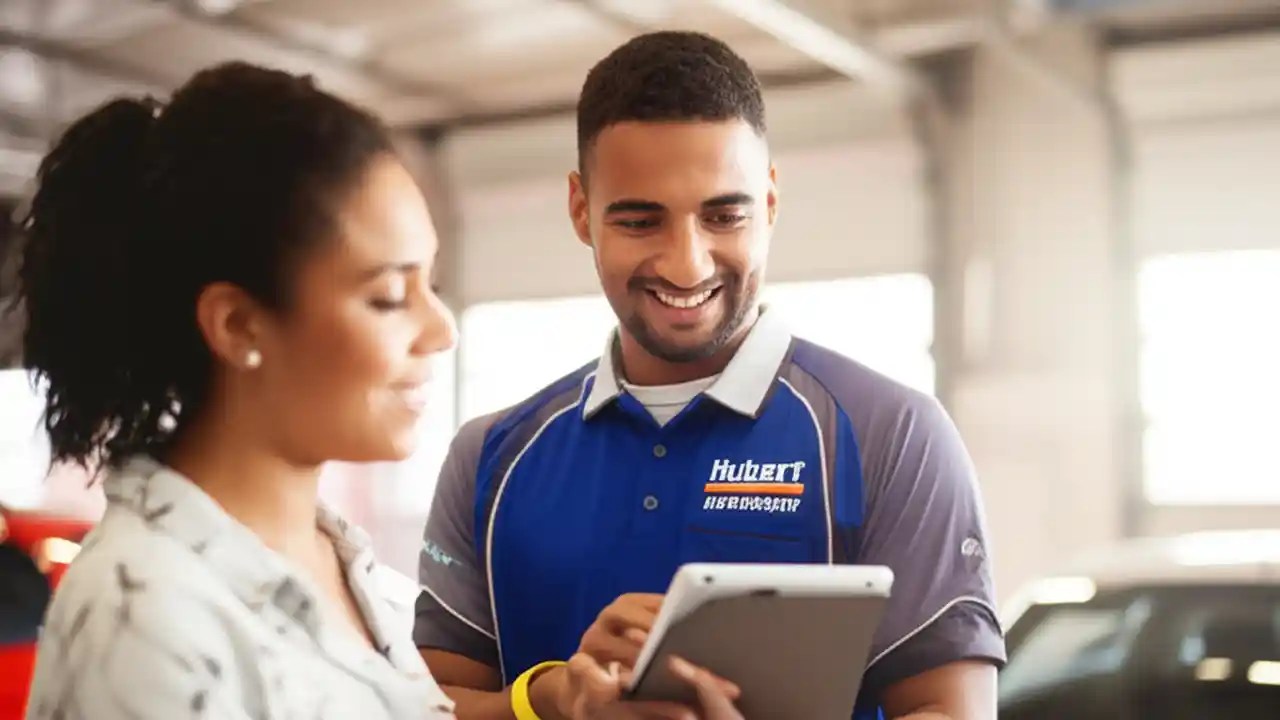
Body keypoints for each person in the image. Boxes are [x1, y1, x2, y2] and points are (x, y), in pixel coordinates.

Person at [414, 31, 1005, 720]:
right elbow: (423, 707)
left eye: (724, 215)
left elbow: (952, 711)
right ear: (581, 210)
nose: (687, 265)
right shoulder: (490, 458)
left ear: (772, 199)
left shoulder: (891, 436)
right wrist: (554, 701)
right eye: (640, 220)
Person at [15, 62, 461, 720]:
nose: (441, 330)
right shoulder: (147, 617)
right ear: (238, 325)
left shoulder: (333, 554)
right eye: (390, 297)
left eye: (433, 284)